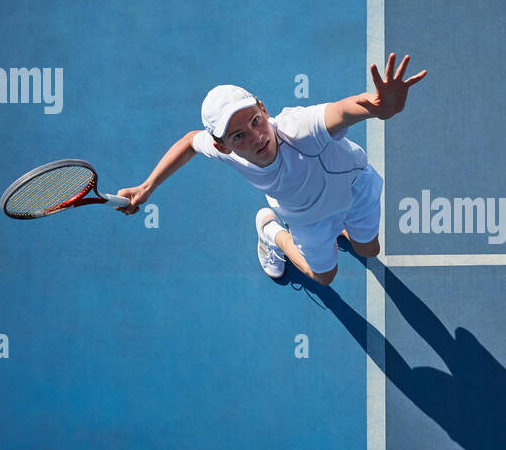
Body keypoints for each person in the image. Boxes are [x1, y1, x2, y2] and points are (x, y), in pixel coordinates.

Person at [115, 53, 425, 285]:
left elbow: (343, 110)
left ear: (263, 108)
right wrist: (147, 187)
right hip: (305, 217)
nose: (257, 136)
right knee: (324, 278)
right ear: (223, 146)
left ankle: (339, 227)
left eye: (255, 121)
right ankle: (271, 232)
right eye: (239, 136)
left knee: (369, 250)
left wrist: (379, 108)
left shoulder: (301, 128)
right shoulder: (227, 153)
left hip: (357, 191)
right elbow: (188, 142)